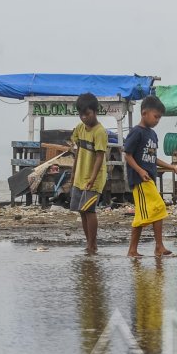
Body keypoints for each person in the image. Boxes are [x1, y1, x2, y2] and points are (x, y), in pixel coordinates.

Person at [123, 95, 177, 258]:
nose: (157, 120)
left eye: (159, 118)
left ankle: (139, 249)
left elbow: (154, 159)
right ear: (144, 113)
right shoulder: (136, 132)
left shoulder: (153, 135)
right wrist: (140, 170)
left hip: (149, 180)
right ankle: (154, 247)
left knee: (147, 214)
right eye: (156, 116)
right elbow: (127, 154)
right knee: (156, 209)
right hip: (140, 181)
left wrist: (171, 167)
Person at [69, 92, 109, 253]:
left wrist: (92, 178)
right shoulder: (80, 129)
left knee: (89, 210)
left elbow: (100, 157)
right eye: (81, 115)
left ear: (95, 111)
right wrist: (73, 173)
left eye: (87, 114)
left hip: (94, 177)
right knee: (81, 210)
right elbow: (78, 150)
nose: (84, 118)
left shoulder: (100, 132)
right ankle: (89, 243)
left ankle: (93, 244)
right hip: (80, 175)